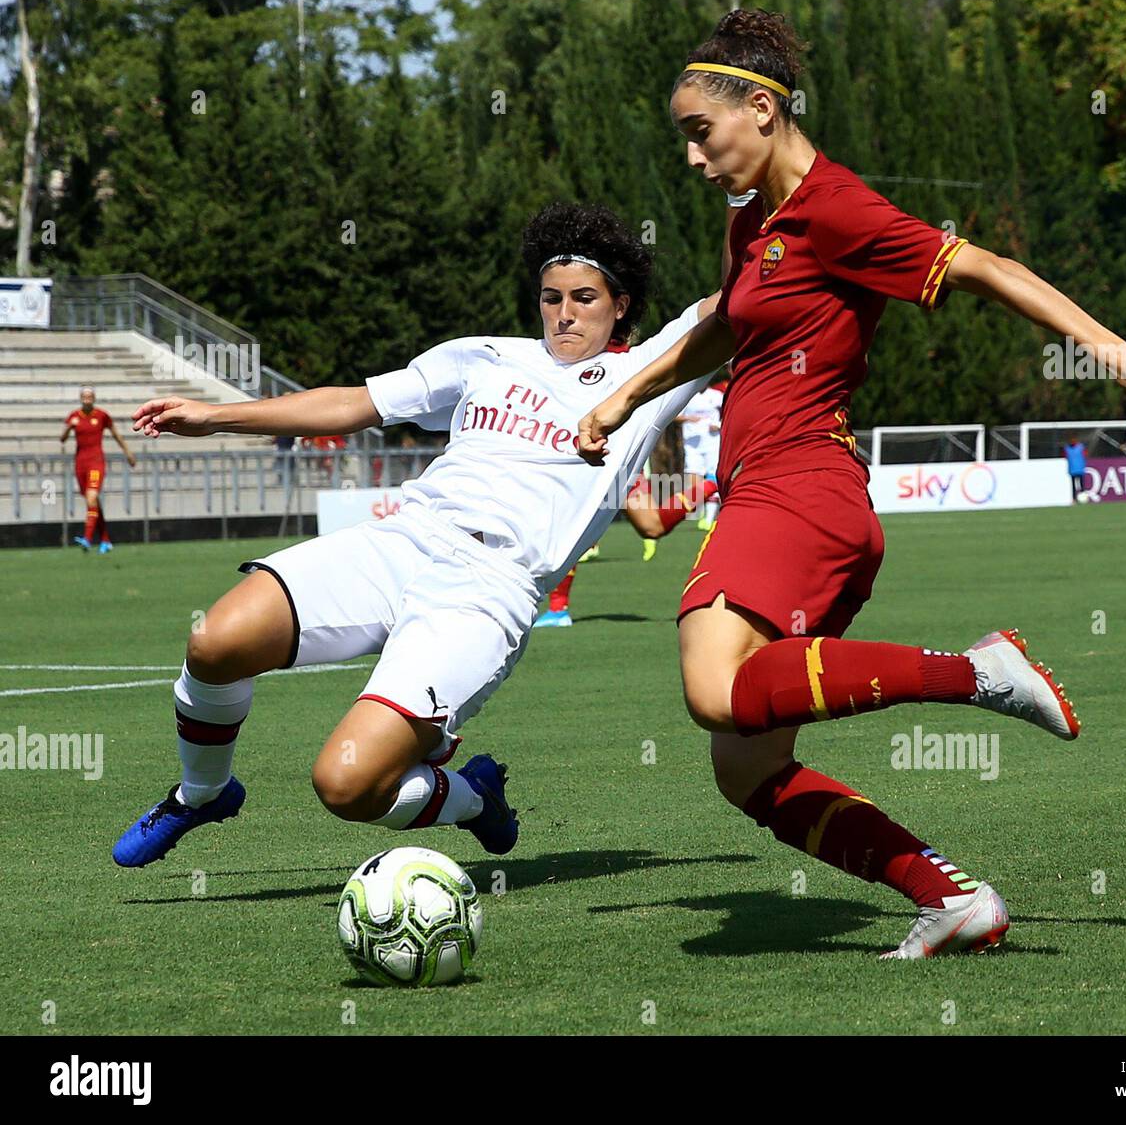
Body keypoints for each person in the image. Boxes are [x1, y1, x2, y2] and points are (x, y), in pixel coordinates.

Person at [578, 10, 1126, 959]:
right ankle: (951, 900)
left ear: (759, 107)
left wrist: (1114, 354)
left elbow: (984, 266)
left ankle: (979, 671)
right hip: (785, 497)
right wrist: (628, 393)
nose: (694, 159)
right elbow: (726, 323)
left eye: (697, 133)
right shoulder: (751, 214)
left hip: (799, 487)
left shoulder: (837, 208)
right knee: (744, 768)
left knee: (713, 690)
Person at [111, 203, 719, 868]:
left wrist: (750, 181)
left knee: (346, 784)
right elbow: (355, 402)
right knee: (216, 641)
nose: (564, 314)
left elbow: (741, 296)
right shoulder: (485, 357)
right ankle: (203, 793)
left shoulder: (654, 373)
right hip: (405, 537)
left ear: (620, 304)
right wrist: (216, 417)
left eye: (583, 298)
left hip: (489, 590)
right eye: (551, 298)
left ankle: (473, 799)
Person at [535, 470, 719, 626]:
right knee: (650, 525)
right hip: (596, 461)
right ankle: (558, 610)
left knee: (651, 525)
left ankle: (713, 484)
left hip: (613, 460)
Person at [60, 385, 136, 553]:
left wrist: (128, 452)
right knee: (92, 501)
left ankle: (87, 538)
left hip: (96, 463)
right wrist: (68, 427)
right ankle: (105, 540)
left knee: (92, 497)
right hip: (80, 463)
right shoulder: (74, 416)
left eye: (90, 396)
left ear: (94, 398)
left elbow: (116, 434)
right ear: (81, 398)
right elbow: (62, 439)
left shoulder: (101, 416)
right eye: (84, 396)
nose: (87, 399)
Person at [677, 375, 726, 530]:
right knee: (694, 480)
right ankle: (701, 512)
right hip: (692, 444)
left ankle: (709, 518)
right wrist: (688, 418)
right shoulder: (687, 396)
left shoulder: (716, 396)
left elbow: (729, 413)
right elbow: (674, 417)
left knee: (713, 476)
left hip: (712, 442)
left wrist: (718, 424)